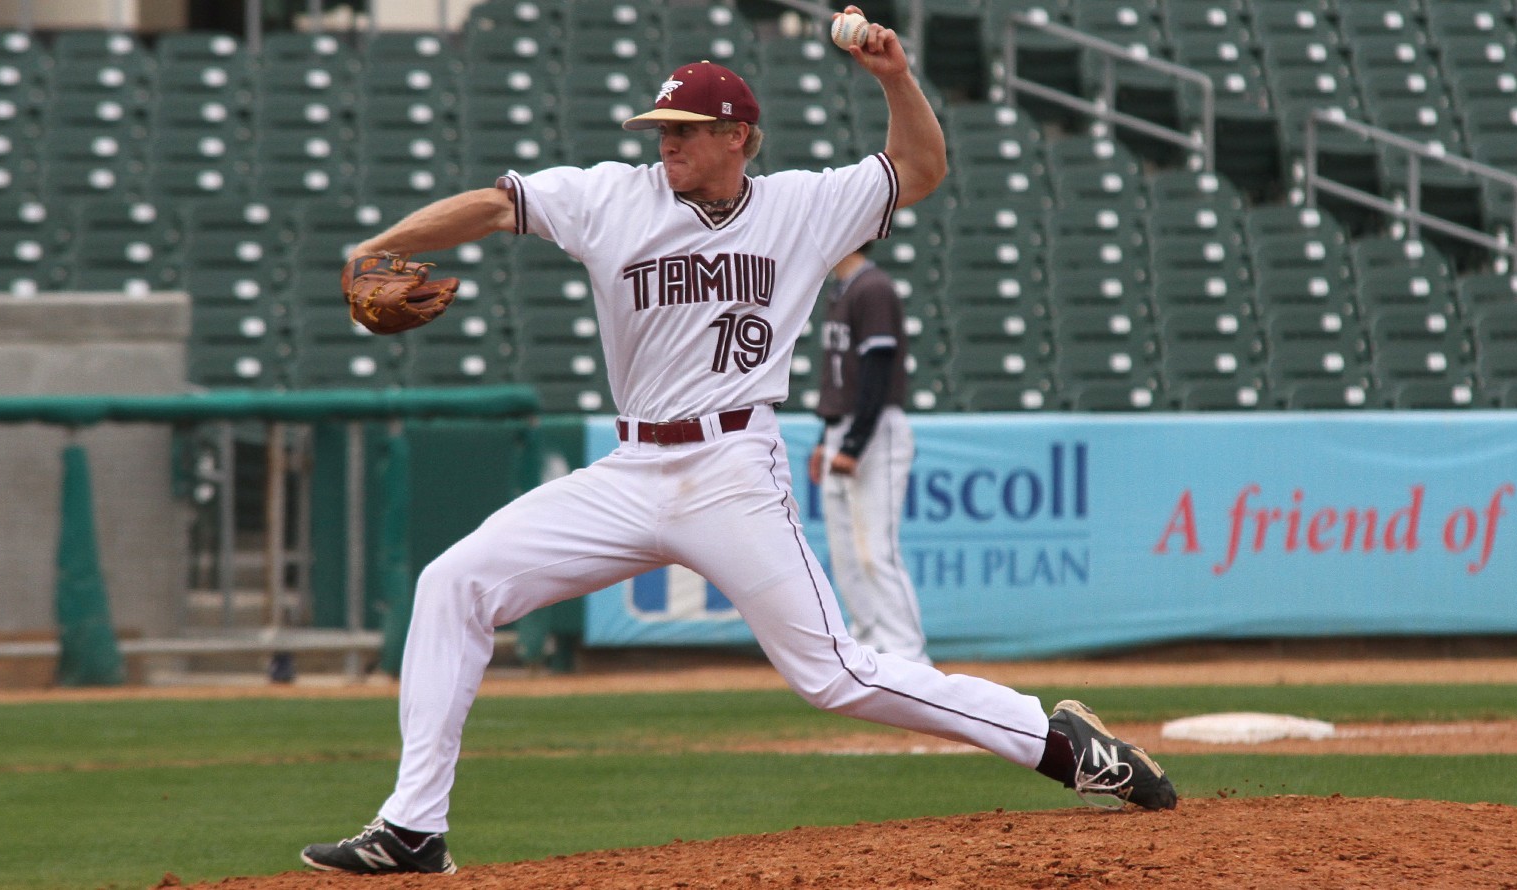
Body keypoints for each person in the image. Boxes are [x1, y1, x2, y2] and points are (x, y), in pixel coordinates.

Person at [301, 8, 1176, 876]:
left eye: (683, 130)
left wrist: (895, 81)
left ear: (738, 137)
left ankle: (1061, 747)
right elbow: (496, 206)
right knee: (454, 581)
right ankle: (414, 829)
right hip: (631, 468)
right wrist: (378, 246)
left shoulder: (802, 208)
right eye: (659, 128)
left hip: (729, 470)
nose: (665, 142)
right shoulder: (613, 197)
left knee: (837, 676)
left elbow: (921, 167)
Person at [809, 244, 929, 664]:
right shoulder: (841, 288)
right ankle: (871, 645)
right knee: (845, 552)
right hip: (845, 426)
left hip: (875, 427)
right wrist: (829, 438)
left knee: (875, 549)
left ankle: (910, 655)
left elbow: (878, 369)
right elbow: (842, 375)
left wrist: (855, 442)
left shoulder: (873, 288)